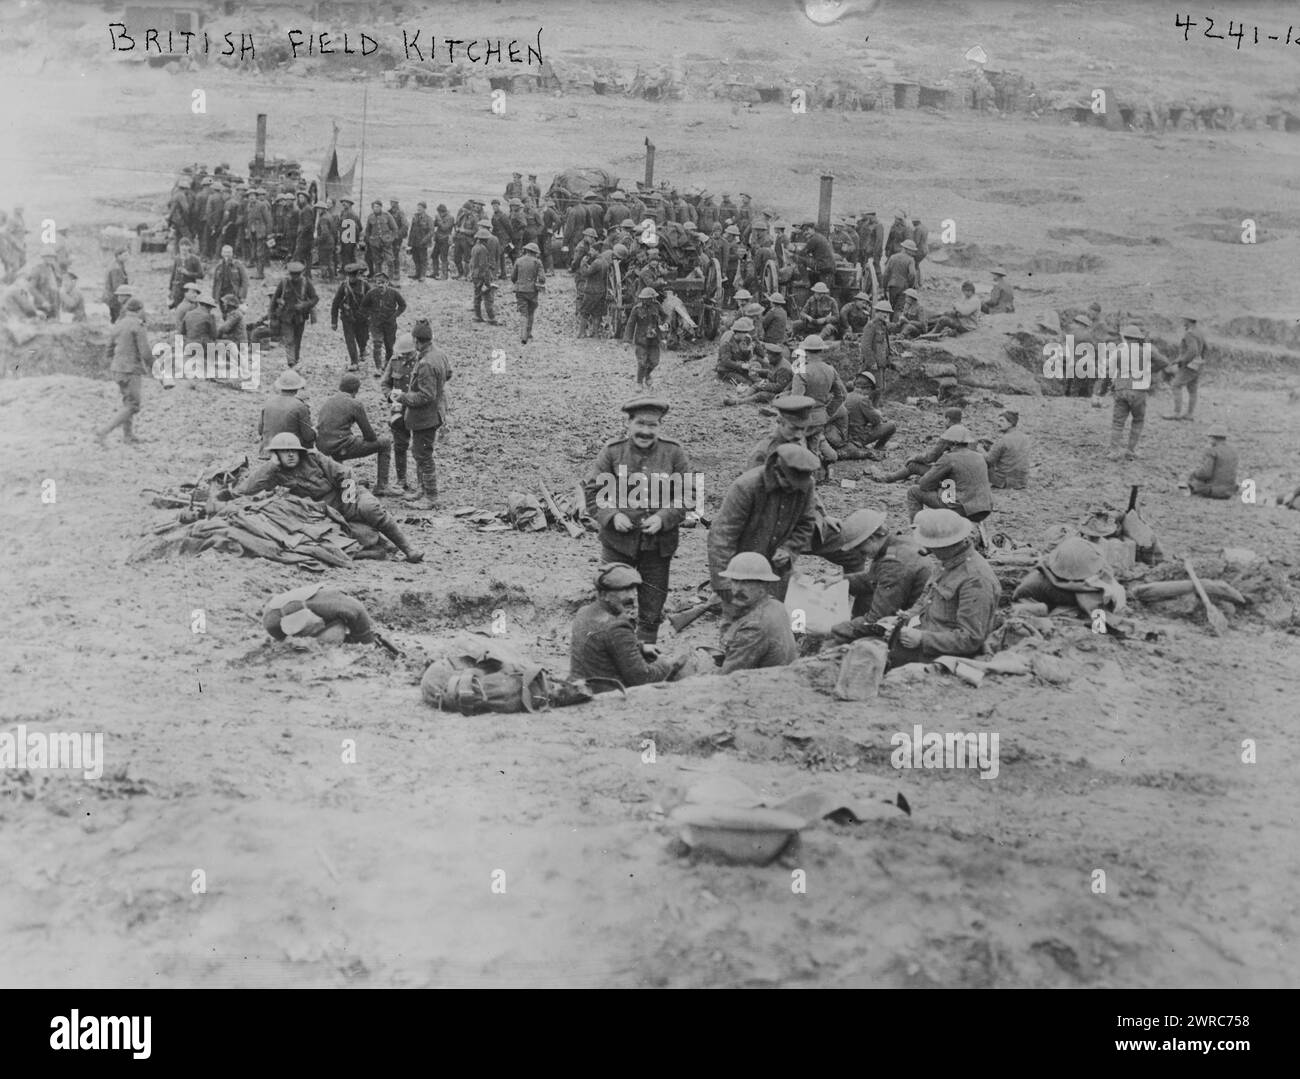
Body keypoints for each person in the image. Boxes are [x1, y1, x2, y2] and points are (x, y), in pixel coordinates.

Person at [586, 397, 693, 644]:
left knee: (652, 607)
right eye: (641, 423)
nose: (646, 431)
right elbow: (593, 492)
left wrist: (664, 518)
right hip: (618, 544)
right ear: (629, 423)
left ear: (660, 426)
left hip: (658, 546)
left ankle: (645, 656)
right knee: (609, 601)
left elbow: (689, 493)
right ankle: (605, 650)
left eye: (653, 425)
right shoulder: (613, 452)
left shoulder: (674, 453)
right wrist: (612, 516)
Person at [236, 433, 423, 562]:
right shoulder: (276, 473)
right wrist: (270, 465)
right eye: (285, 452)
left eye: (293, 450)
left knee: (369, 509)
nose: (291, 455)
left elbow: (345, 474)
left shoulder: (314, 458)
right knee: (351, 536)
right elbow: (246, 489)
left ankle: (408, 549)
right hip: (327, 512)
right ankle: (383, 546)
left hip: (349, 495)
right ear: (276, 454)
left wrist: (349, 504)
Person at [708, 442, 821, 615]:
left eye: (797, 485)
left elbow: (806, 524)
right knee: (739, 623)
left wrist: (789, 550)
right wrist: (723, 583)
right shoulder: (747, 486)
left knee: (774, 617)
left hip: (776, 569)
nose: (793, 489)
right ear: (776, 470)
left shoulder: (805, 485)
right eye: (789, 483)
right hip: (741, 569)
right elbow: (722, 536)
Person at [886, 508, 999, 667]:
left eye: (931, 546)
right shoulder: (947, 563)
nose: (926, 549)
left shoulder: (976, 579)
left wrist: (922, 639)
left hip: (944, 659)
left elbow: (971, 639)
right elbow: (926, 600)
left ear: (945, 545)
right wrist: (904, 617)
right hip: (924, 641)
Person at [569, 564, 685, 690]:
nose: (632, 596)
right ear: (604, 594)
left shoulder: (584, 611)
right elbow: (642, 678)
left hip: (579, 687)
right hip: (606, 695)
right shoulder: (616, 627)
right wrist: (665, 664)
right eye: (625, 590)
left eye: (633, 589)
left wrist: (639, 647)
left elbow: (607, 647)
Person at [400, 320, 452, 510]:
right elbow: (449, 374)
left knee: (423, 455)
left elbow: (425, 396)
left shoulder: (425, 363)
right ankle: (423, 490)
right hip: (436, 412)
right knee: (419, 451)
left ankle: (431, 497)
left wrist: (403, 397)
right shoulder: (440, 354)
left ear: (416, 341)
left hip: (425, 417)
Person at [715, 554, 798, 673]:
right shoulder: (776, 605)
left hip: (762, 688)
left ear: (765, 585)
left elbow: (727, 676)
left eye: (747, 582)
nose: (738, 589)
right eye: (735, 581)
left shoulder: (754, 626)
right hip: (781, 679)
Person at [316, 372, 395, 494]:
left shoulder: (328, 401)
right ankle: (382, 485)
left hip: (324, 448)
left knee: (342, 441)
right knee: (385, 443)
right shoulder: (355, 404)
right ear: (356, 390)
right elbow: (370, 436)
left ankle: (338, 481)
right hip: (339, 447)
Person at [1099, 324, 1169, 461]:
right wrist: (1148, 370)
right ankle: (1130, 450)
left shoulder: (1119, 351)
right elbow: (1164, 362)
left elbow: (1108, 372)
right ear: (1138, 339)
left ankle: (1114, 451)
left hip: (1121, 388)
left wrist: (1102, 391)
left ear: (1125, 337)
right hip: (1139, 389)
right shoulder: (1147, 351)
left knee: (1118, 422)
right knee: (1138, 420)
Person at [1012, 536, 1124, 617]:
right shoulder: (1051, 585)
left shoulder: (1049, 567)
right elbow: (1077, 599)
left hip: (1038, 596)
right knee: (1046, 609)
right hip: (1026, 602)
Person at [94, 297, 152, 446]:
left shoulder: (119, 324)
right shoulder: (138, 326)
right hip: (131, 370)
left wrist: (114, 363)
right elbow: (145, 352)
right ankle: (104, 431)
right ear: (139, 310)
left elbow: (108, 349)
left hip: (117, 369)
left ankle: (128, 435)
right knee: (133, 405)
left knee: (127, 402)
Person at [907, 425, 994, 522]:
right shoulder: (979, 456)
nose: (944, 444)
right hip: (984, 509)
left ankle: (917, 528)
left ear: (953, 443)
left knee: (913, 491)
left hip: (962, 510)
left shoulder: (948, 458)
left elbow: (924, 484)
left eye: (946, 442)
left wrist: (935, 483)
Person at [790, 334, 847, 471]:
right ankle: (827, 460)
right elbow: (842, 394)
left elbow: (795, 400)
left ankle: (810, 470)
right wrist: (828, 413)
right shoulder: (830, 370)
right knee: (815, 444)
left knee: (798, 446)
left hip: (804, 419)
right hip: (821, 417)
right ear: (821, 351)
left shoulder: (802, 371)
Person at [871, 408, 965, 483]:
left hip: (951, 477)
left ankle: (888, 478)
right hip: (965, 475)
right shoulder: (968, 434)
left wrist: (914, 457)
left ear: (948, 419)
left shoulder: (949, 434)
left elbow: (930, 457)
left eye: (945, 420)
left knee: (912, 466)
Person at [263, 585, 377, 645]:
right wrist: (368, 641)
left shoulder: (327, 598)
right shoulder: (344, 603)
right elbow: (358, 611)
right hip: (277, 616)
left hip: (272, 617)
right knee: (338, 631)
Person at [379, 331, 420, 493]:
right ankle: (401, 479)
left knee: (419, 447)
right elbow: (385, 382)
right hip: (399, 411)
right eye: (401, 354)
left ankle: (421, 484)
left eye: (407, 354)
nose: (403, 356)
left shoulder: (421, 361)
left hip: (417, 409)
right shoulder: (394, 360)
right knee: (400, 445)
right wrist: (390, 395)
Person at [827, 371, 895, 459]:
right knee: (892, 425)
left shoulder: (846, 396)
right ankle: (878, 447)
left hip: (845, 436)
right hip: (858, 438)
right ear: (868, 388)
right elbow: (876, 421)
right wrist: (878, 414)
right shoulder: (863, 400)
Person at [746, 393, 816, 470]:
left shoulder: (797, 441)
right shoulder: (764, 453)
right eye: (793, 428)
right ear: (780, 422)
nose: (799, 435)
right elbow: (751, 480)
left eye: (803, 429)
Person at [271, 261, 318, 367]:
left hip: (300, 317)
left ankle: (295, 359)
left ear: (301, 273)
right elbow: (274, 299)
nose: (295, 277)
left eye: (297, 274)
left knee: (297, 339)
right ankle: (291, 362)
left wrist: (305, 305)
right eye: (293, 274)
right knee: (289, 340)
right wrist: (272, 315)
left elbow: (315, 298)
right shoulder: (283, 283)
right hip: (286, 316)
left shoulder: (306, 283)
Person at [258, 369, 316, 455]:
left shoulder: (268, 403)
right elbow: (308, 436)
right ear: (297, 388)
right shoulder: (300, 406)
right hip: (291, 453)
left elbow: (260, 430)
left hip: (268, 451)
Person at [359, 270, 406, 375]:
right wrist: (369, 317)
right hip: (376, 324)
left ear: (387, 283)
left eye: (382, 282)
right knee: (377, 343)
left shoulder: (394, 293)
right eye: (378, 282)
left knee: (390, 346)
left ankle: (387, 365)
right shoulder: (371, 293)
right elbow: (363, 307)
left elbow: (403, 305)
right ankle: (378, 368)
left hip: (390, 324)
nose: (380, 285)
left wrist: (395, 315)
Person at [1165, 314, 1208, 421]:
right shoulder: (1200, 332)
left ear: (1187, 320)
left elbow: (1192, 351)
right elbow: (1206, 348)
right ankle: (1189, 414)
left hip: (1189, 365)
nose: (1182, 321)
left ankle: (1176, 413)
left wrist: (1182, 361)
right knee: (1192, 390)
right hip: (1198, 365)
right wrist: (1201, 360)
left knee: (1176, 385)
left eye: (1183, 319)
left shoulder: (1189, 334)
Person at [622, 286, 666, 389]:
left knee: (654, 362)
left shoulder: (657, 306)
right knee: (642, 362)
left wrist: (666, 324)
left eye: (650, 299)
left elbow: (665, 316)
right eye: (645, 299)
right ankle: (639, 382)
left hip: (654, 340)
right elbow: (630, 325)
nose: (648, 301)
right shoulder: (636, 309)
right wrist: (627, 341)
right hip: (641, 340)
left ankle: (647, 374)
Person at [330, 262, 370, 373]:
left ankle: (362, 349)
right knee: (350, 340)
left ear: (358, 274)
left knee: (363, 338)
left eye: (353, 275)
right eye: (349, 275)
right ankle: (354, 362)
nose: (351, 278)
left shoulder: (364, 285)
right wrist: (334, 321)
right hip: (348, 318)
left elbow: (373, 300)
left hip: (362, 318)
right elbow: (336, 303)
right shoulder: (344, 286)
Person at [982, 410, 1031, 489]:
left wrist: (980, 449)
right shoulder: (1025, 437)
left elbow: (989, 461)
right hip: (1022, 481)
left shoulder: (1004, 440)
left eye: (1001, 421)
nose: (998, 423)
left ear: (1010, 423)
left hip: (1004, 481)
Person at [1187, 423, 1238, 498]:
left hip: (1214, 491)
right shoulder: (1233, 451)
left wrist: (1194, 473)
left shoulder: (1212, 451)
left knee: (1192, 481)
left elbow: (1205, 473)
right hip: (1230, 490)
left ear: (1213, 438)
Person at [511, 240, 545, 344]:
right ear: (535, 252)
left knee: (523, 312)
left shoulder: (518, 260)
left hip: (520, 290)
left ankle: (523, 336)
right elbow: (542, 278)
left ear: (526, 251)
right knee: (531, 312)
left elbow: (513, 277)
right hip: (532, 291)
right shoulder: (537, 262)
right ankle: (528, 333)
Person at [715, 315, 758, 386]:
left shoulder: (743, 339)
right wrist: (742, 365)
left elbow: (746, 357)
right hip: (726, 370)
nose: (746, 335)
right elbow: (726, 361)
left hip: (737, 367)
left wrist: (748, 352)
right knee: (747, 383)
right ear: (738, 332)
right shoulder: (727, 343)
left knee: (754, 377)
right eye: (744, 332)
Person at [858, 299, 893, 383]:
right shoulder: (871, 326)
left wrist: (888, 357)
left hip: (881, 363)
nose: (886, 315)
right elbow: (865, 346)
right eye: (884, 312)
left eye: (888, 313)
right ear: (878, 312)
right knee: (873, 387)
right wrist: (872, 362)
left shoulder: (883, 326)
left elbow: (886, 344)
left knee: (881, 388)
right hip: (872, 364)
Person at [469, 227, 497, 325]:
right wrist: (487, 281)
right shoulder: (483, 249)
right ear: (485, 239)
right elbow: (483, 265)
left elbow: (473, 263)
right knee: (488, 296)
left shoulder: (474, 247)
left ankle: (477, 316)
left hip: (475, 274)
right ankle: (491, 318)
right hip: (481, 275)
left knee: (477, 296)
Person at [883, 239, 918, 311]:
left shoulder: (893, 257)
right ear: (906, 249)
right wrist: (910, 286)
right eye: (911, 250)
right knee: (899, 308)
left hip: (892, 286)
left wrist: (884, 287)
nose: (912, 253)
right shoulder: (910, 260)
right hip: (903, 287)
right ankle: (895, 321)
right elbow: (913, 274)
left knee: (891, 306)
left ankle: (890, 321)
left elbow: (886, 273)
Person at [408, 201, 433, 281]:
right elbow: (412, 230)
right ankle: (417, 274)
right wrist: (410, 242)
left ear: (424, 209)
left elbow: (431, 231)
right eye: (418, 207)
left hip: (423, 243)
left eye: (420, 207)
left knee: (423, 259)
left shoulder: (428, 219)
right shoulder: (415, 217)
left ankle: (422, 275)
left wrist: (424, 240)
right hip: (415, 242)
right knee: (415, 258)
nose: (418, 209)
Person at [103, 250, 129, 322]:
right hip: (115, 298)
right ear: (118, 256)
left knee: (115, 318)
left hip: (113, 297)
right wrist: (123, 298)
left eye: (127, 255)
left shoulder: (118, 264)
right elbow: (117, 287)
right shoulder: (116, 268)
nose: (127, 257)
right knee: (117, 318)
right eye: (125, 255)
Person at [431, 204, 454, 279]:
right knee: (434, 255)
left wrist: (439, 219)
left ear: (443, 212)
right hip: (438, 239)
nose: (439, 214)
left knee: (443, 257)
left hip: (445, 239)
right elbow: (434, 224)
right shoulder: (440, 217)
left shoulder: (450, 218)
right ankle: (435, 272)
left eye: (440, 212)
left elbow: (444, 228)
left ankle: (444, 275)